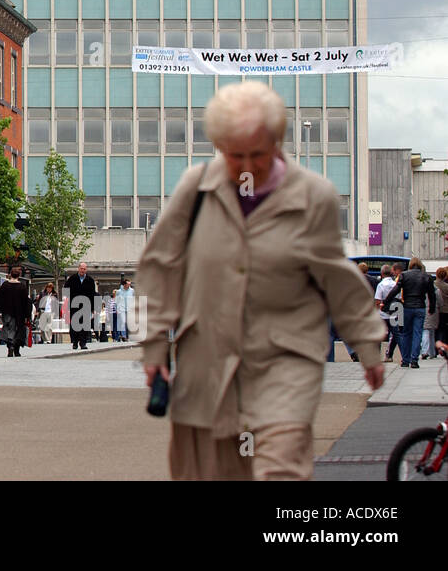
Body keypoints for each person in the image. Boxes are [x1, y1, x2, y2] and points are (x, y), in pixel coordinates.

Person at [137, 81, 385, 481]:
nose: (248, 166)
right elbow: (157, 268)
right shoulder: (196, 188)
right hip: (208, 361)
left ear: (277, 141)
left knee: (280, 467)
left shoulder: (313, 196)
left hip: (286, 358)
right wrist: (151, 346)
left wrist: (368, 345)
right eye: (236, 155)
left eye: (259, 153)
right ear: (219, 146)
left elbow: (336, 276)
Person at [387, 257, 436, 369]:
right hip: (420, 307)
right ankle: (414, 360)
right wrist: (432, 308)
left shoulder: (404, 275)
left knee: (406, 333)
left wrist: (386, 301)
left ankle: (405, 359)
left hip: (407, 307)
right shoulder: (426, 277)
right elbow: (431, 295)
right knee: (417, 333)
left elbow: (396, 289)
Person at [0, 266, 32, 356]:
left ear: (10, 274)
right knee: (18, 330)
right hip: (19, 313)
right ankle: (16, 349)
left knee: (7, 328)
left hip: (7, 312)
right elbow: (26, 302)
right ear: (19, 275)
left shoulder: (5, 285)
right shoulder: (22, 287)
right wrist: (27, 315)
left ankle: (10, 344)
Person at [66, 261, 97, 350]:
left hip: (86, 306)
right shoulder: (72, 279)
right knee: (74, 325)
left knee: (85, 325)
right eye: (81, 268)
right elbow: (66, 291)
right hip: (74, 305)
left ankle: (83, 343)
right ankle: (75, 342)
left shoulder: (90, 280)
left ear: (86, 270)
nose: (82, 270)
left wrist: (93, 308)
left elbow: (93, 294)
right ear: (78, 269)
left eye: (84, 269)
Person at [374, 264, 401, 362]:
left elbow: (377, 301)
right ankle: (390, 354)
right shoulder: (395, 284)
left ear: (382, 273)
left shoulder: (381, 285)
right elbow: (399, 298)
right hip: (394, 314)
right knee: (396, 335)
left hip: (382, 315)